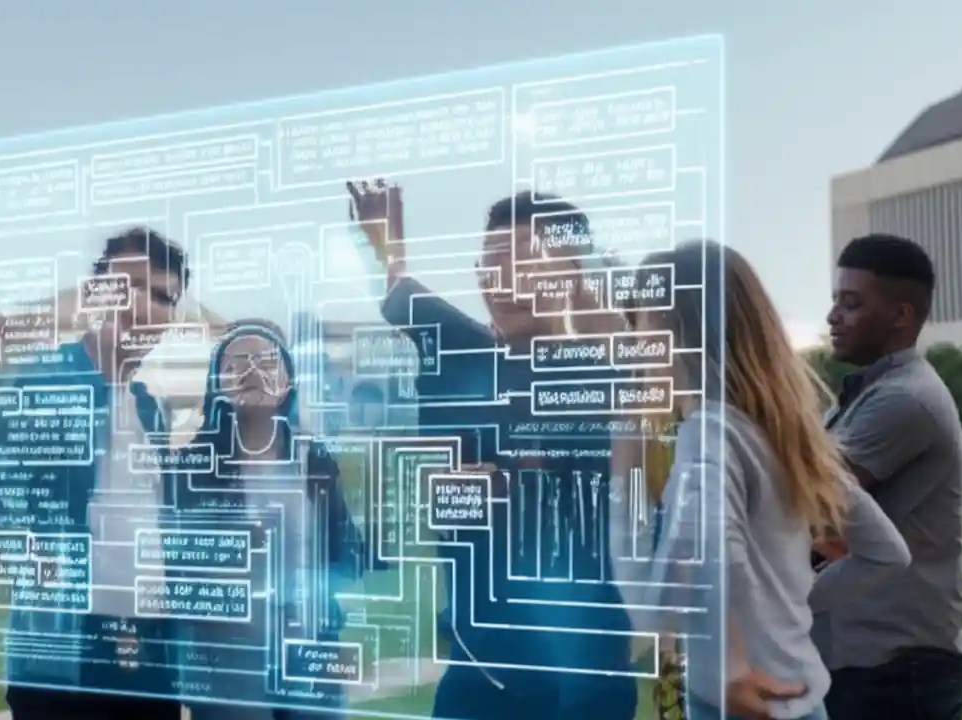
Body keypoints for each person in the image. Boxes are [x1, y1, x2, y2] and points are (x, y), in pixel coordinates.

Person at [347, 180, 637, 720]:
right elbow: (399, 293)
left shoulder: (621, 379)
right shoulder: (470, 354)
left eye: (522, 261)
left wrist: (516, 485)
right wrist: (383, 239)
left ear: (573, 270)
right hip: (475, 681)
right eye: (488, 263)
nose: (496, 279)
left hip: (584, 686)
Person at [610, 240, 910, 720]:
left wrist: (623, 483)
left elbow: (662, 604)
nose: (633, 343)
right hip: (800, 700)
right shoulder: (786, 438)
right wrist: (794, 604)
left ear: (680, 328)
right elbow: (887, 553)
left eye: (641, 321)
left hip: (738, 702)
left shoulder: (707, 432)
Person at [0, 227, 189, 719]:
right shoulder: (35, 379)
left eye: (163, 296)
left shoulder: (151, 408)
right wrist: (31, 538)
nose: (145, 307)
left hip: (149, 659)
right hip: (62, 659)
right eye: (129, 287)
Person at [173, 319, 374, 719]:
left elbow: (345, 550)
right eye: (238, 362)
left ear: (288, 380)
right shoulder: (192, 467)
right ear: (218, 382)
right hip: (229, 658)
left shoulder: (313, 458)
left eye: (267, 360)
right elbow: (174, 568)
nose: (253, 372)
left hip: (310, 649)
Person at [818, 234, 962, 720]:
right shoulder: (866, 393)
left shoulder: (905, 398)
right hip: (871, 661)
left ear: (901, 316)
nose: (832, 316)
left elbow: (814, 510)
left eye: (851, 303)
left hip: (896, 668)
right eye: (836, 301)